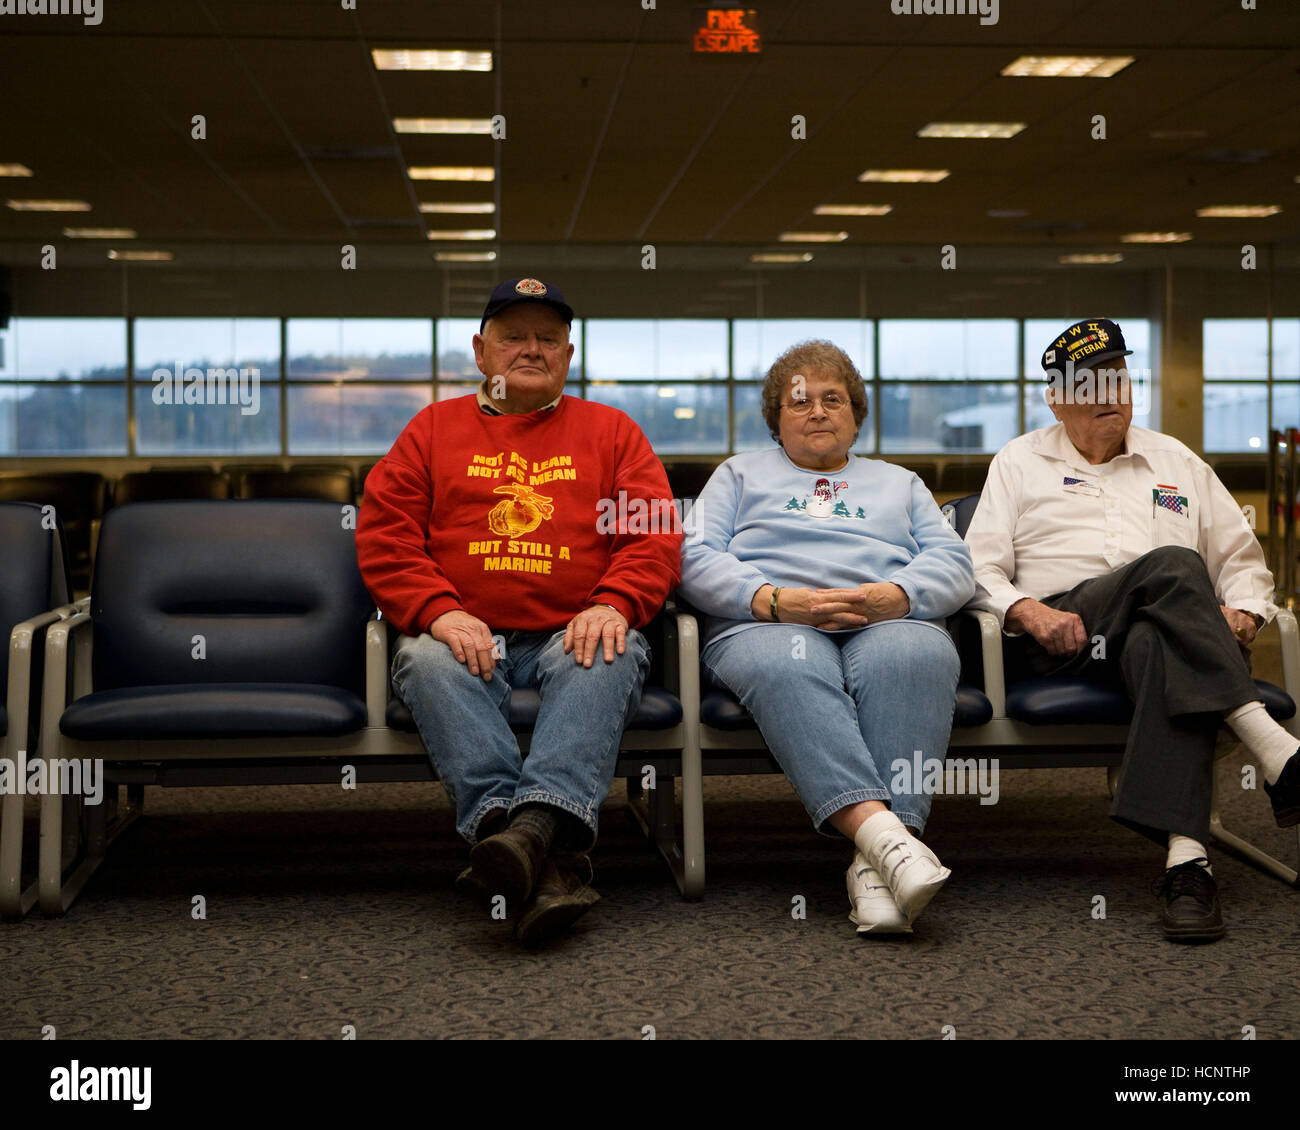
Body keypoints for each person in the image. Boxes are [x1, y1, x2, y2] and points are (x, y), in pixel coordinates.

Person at [355, 277, 681, 947]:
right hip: (465, 632)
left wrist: (615, 603)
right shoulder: (431, 430)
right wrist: (439, 611)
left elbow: (652, 535)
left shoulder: (613, 432)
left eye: (546, 338)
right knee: (422, 655)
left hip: (573, 629)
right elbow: (385, 536)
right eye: (512, 336)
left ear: (567, 353)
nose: (530, 349)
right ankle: (541, 849)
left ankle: (517, 838)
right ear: (481, 352)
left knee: (608, 649)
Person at [965, 317, 1300, 943]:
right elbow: (977, 567)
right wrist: (1026, 610)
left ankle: (1186, 864)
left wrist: (1247, 612)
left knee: (1157, 641)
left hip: (1162, 638)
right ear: (1056, 398)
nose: (1107, 395)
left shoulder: (1177, 462)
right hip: (1059, 640)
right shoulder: (1020, 461)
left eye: (1117, 378)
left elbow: (1245, 565)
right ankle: (1273, 746)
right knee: (1175, 566)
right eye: (1086, 383)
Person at [679, 340, 975, 935]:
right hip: (768, 620)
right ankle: (887, 839)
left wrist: (896, 595)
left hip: (886, 617)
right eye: (799, 401)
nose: (817, 410)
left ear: (856, 416)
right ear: (776, 420)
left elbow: (954, 561)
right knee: (791, 664)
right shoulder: (738, 473)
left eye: (832, 399)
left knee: (918, 654)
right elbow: (692, 556)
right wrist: (771, 599)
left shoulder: (900, 483)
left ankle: (877, 865)